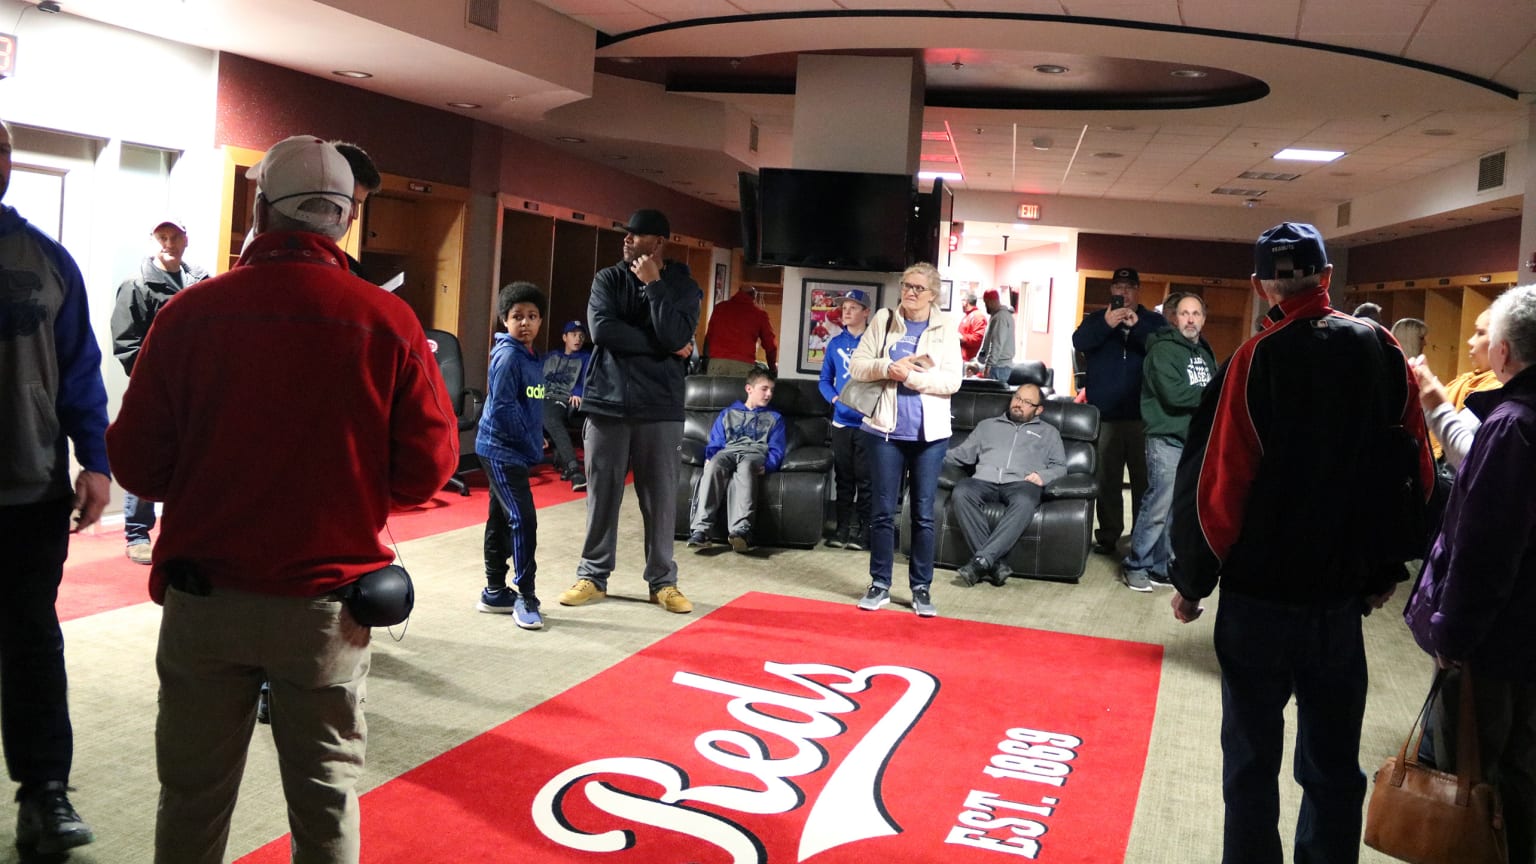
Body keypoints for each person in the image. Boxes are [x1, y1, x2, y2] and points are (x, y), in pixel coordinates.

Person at [106, 135, 459, 864]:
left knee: (193, 799)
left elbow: (138, 462)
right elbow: (429, 469)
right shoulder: (387, 322)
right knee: (325, 801)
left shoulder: (189, 315)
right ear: (342, 220)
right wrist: (353, 487)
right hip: (325, 608)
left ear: (261, 210)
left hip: (206, 600)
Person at [1169, 222, 1431, 864]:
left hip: (1260, 593)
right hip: (1340, 598)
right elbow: (1419, 472)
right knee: (1334, 762)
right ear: (1327, 276)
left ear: (1260, 287)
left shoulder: (1254, 359)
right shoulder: (1382, 349)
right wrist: (1383, 565)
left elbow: (1221, 482)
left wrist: (1192, 581)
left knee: (1252, 759)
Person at [0, 116, 108, 855]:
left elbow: (79, 371)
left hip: (26, 489)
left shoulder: (46, 259)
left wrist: (95, 459)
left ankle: (44, 793)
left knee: (32, 641)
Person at [1405, 285, 1536, 864]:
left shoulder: (1513, 425)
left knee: (1470, 782)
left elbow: (1486, 551)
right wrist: (1437, 402)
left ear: (1505, 353)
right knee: (1517, 775)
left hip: (1494, 644)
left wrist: (1451, 640)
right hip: (1523, 639)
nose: (1475, 342)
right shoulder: (1516, 420)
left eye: (1484, 334)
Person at [558, 209, 700, 615]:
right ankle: (593, 575)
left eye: (636, 235)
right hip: (607, 402)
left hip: (661, 406)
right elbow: (603, 332)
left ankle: (663, 582)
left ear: (657, 243)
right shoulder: (607, 279)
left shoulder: (682, 285)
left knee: (659, 499)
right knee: (602, 494)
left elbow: (677, 333)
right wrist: (664, 344)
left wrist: (654, 287)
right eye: (627, 234)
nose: (627, 240)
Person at [848, 262, 963, 617]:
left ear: (933, 294)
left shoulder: (946, 327)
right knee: (883, 512)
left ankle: (921, 588)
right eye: (906, 285)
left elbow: (951, 382)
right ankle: (880, 583)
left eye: (918, 288)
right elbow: (857, 366)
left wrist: (911, 378)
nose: (910, 293)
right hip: (885, 431)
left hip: (930, 436)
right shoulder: (883, 319)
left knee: (924, 514)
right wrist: (888, 368)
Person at [109, 217, 210, 565]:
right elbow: (126, 343)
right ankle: (137, 534)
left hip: (195, 389)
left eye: (174, 237)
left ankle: (182, 531)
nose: (168, 243)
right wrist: (152, 380)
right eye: (161, 237)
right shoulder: (136, 286)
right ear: (153, 240)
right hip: (154, 390)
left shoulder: (201, 283)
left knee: (191, 458)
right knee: (147, 453)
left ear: (186, 240)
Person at [1119, 292, 1213, 592]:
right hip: (1165, 440)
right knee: (1158, 505)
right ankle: (1136, 564)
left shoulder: (1203, 352)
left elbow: (1205, 390)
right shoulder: (1162, 351)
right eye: (1184, 313)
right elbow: (1174, 395)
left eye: (1196, 314)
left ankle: (1161, 567)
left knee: (1177, 509)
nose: (1190, 319)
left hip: (1192, 442)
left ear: (1203, 319)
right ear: (1174, 317)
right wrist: (1211, 395)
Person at [1071, 266, 1166, 556]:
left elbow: (1162, 349)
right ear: (1111, 290)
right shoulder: (1097, 320)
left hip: (1142, 416)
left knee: (1143, 481)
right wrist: (1107, 325)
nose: (1123, 293)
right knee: (1107, 480)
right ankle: (1109, 536)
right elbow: (1079, 342)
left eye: (1129, 288)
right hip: (1105, 416)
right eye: (1118, 288)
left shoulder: (1153, 321)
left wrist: (1135, 328)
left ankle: (1141, 538)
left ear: (1138, 291)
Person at [476, 282, 549, 630]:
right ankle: (526, 597)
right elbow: (504, 408)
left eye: (532, 316)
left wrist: (539, 437)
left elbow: (530, 404)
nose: (525, 323)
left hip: (515, 448)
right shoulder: (507, 356)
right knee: (523, 519)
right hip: (502, 451)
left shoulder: (532, 358)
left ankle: (494, 591)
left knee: (501, 517)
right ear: (505, 320)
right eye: (517, 316)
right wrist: (527, 442)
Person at [944, 382, 1066, 587]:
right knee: (962, 491)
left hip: (1022, 483)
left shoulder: (1049, 433)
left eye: (1027, 402)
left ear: (1039, 410)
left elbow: (1060, 466)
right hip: (984, 480)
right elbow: (960, 455)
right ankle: (992, 564)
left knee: (1026, 501)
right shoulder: (987, 425)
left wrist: (1043, 476)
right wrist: (928, 455)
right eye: (1017, 398)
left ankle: (981, 562)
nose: (1019, 404)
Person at [686, 367, 787, 553]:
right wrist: (711, 456)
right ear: (749, 389)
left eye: (771, 390)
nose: (769, 394)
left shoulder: (775, 418)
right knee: (715, 464)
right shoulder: (728, 413)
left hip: (755, 453)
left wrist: (769, 465)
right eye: (764, 389)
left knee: (747, 466)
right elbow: (716, 440)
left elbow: (777, 448)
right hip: (729, 451)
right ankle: (701, 531)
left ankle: (741, 531)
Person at [817, 289, 874, 550]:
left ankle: (863, 532)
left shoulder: (875, 344)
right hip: (841, 421)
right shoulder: (835, 344)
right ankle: (841, 530)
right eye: (844, 308)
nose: (846, 312)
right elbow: (824, 380)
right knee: (844, 478)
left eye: (853, 307)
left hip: (867, 423)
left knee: (866, 479)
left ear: (866, 312)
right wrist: (834, 400)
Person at [1413, 307, 1501, 463]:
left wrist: (1436, 404)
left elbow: (1473, 462)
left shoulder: (1497, 394)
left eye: (1480, 333)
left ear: (1503, 345)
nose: (1470, 341)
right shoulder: (1466, 381)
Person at [542, 319, 591, 492]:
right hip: (542, 396)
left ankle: (573, 469)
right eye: (573, 335)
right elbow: (536, 376)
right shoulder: (551, 356)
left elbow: (586, 379)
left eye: (581, 336)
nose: (578, 339)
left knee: (551, 418)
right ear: (565, 337)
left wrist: (578, 392)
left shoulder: (586, 358)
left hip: (563, 399)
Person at [703, 284, 778, 377]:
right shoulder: (759, 314)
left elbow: (709, 337)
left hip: (717, 363)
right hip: (743, 365)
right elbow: (770, 345)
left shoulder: (719, 308)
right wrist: (772, 368)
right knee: (739, 392)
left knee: (715, 391)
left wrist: (705, 361)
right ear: (754, 296)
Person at [975, 288, 1016, 381]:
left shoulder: (1000, 318)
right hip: (998, 366)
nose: (986, 306)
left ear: (991, 302)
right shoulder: (998, 316)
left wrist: (989, 365)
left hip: (998, 368)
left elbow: (997, 343)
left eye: (986, 303)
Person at [958, 292, 988, 365]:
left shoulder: (978, 317)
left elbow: (978, 339)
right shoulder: (967, 316)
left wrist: (962, 338)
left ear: (966, 302)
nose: (961, 304)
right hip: (964, 359)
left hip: (971, 362)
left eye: (962, 301)